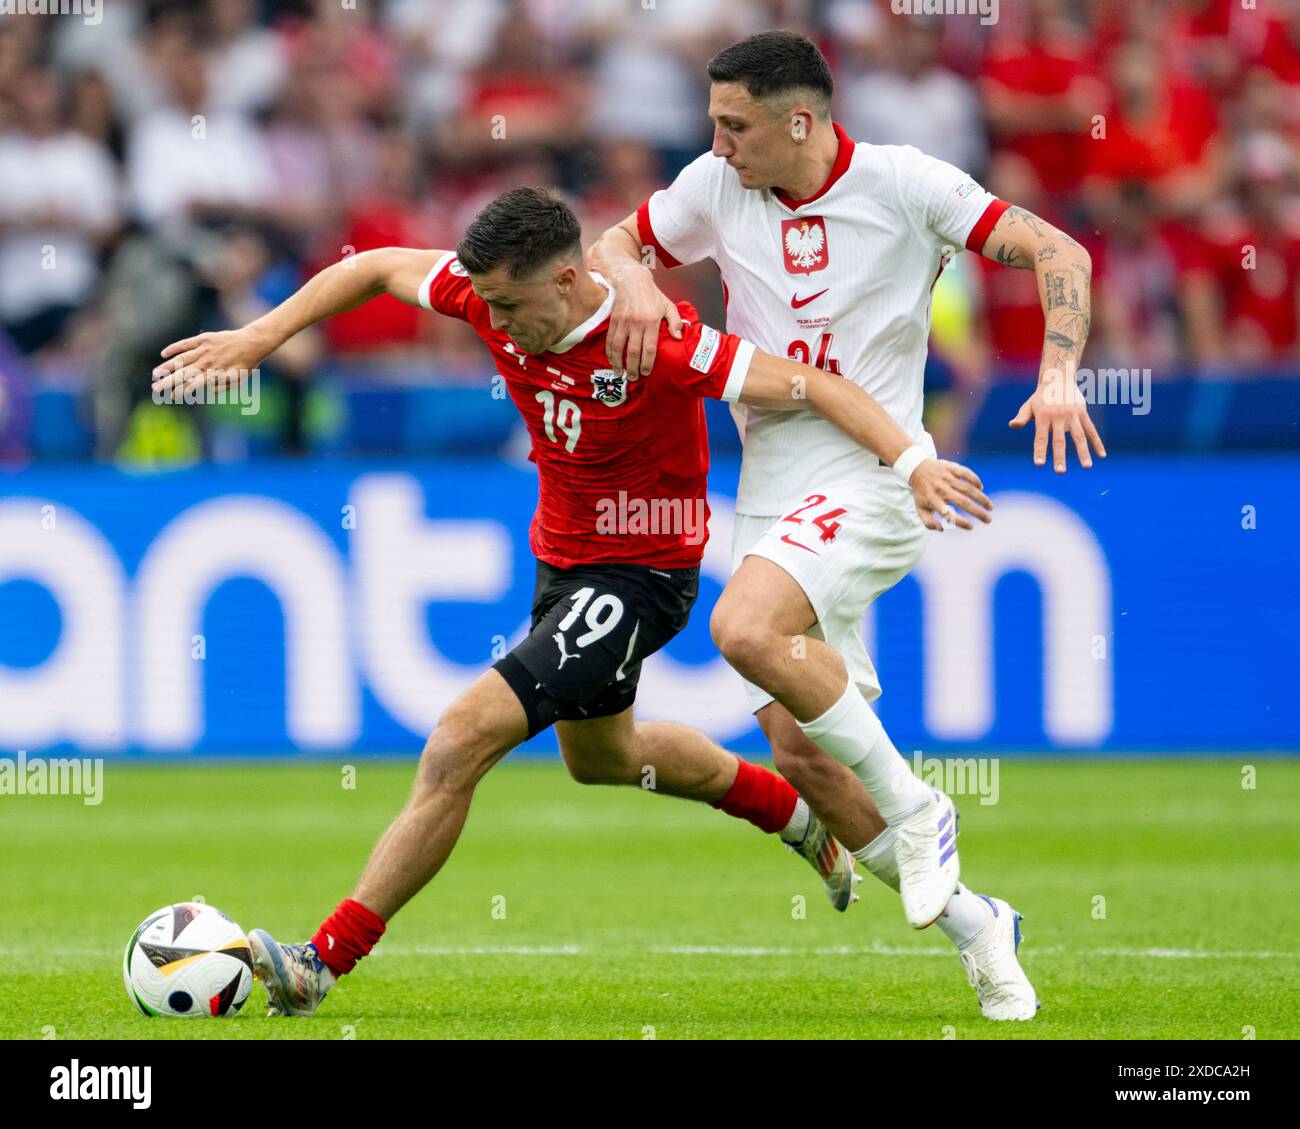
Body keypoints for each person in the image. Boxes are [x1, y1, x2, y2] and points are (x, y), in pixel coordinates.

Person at [150, 186, 991, 1016]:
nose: (495, 323)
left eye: (510, 304)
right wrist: (259, 337)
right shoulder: (487, 297)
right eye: (485, 303)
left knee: (459, 738)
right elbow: (374, 267)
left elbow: (812, 386)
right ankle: (792, 812)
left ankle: (319, 961)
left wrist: (912, 463)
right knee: (604, 757)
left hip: (642, 577)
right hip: (563, 566)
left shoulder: (659, 341)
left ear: (563, 278)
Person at [590, 30, 1106, 1021]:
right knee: (801, 754)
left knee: (742, 628)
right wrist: (644, 279)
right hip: (770, 485)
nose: (716, 141)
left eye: (733, 124)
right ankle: (977, 925)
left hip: (878, 470)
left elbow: (1056, 249)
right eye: (712, 121)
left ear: (800, 121)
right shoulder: (712, 184)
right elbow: (614, 242)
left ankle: (921, 809)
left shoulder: (908, 184)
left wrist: (1055, 373)